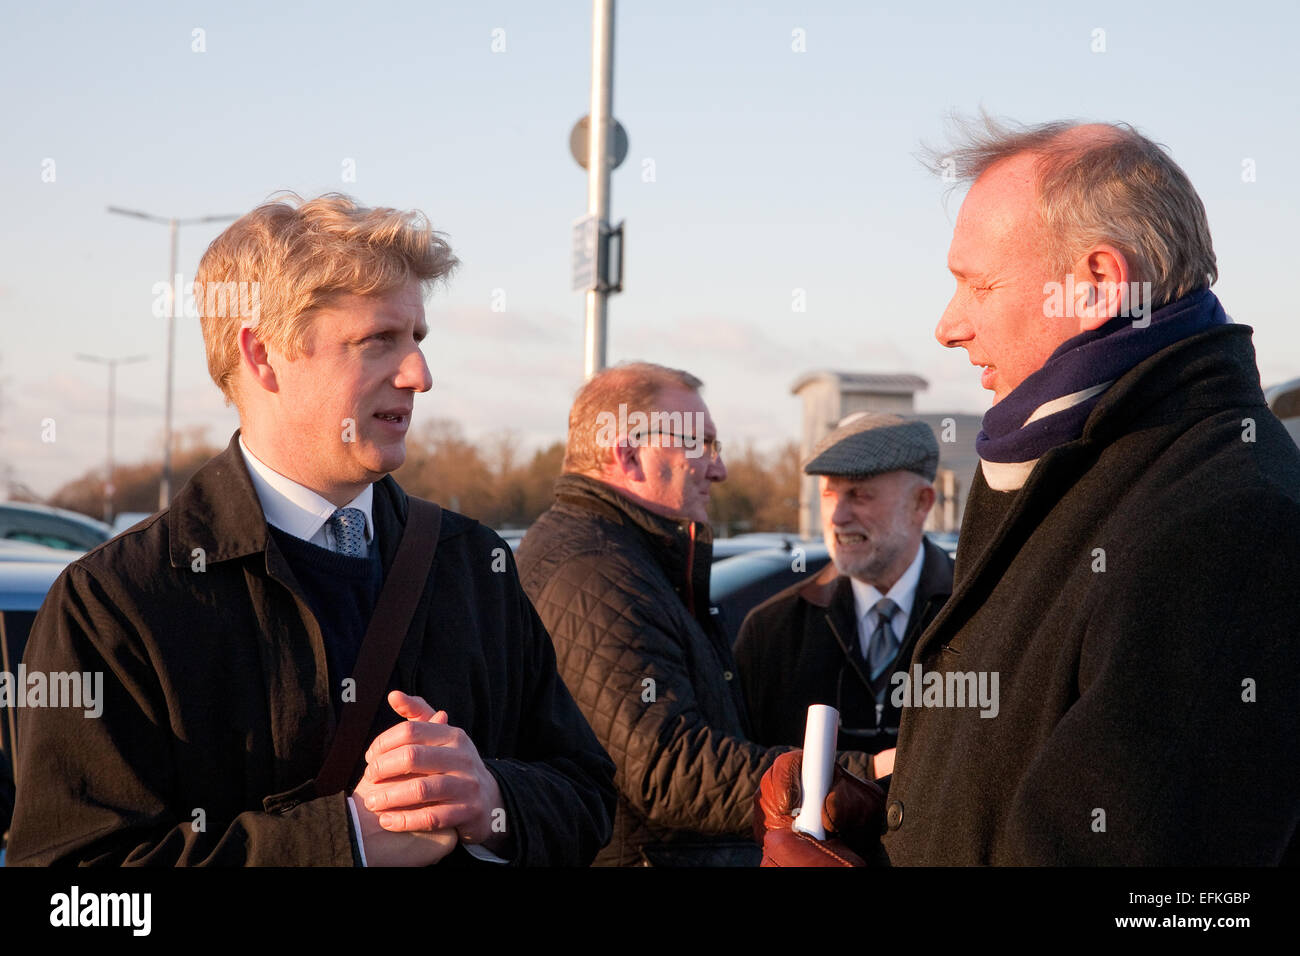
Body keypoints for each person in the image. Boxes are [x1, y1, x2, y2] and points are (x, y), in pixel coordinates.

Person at [8, 193, 616, 866]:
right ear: (262, 356)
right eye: (379, 340)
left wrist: (492, 800)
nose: (420, 374)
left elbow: (589, 795)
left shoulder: (474, 564)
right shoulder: (114, 604)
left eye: (416, 339)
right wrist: (343, 841)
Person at [759, 118, 1300, 865]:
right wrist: (895, 820)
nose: (948, 326)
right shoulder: (1079, 470)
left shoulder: (1227, 520)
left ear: (1100, 282)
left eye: (978, 284)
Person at [515, 362, 874, 866]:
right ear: (629, 453)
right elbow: (667, 767)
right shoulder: (594, 571)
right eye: (700, 445)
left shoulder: (629, 558)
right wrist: (856, 774)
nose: (718, 468)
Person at [734, 412, 953, 778]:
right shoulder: (772, 631)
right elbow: (748, 776)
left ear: (921, 503)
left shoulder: (983, 613)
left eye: (859, 494)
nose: (837, 516)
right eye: (828, 495)